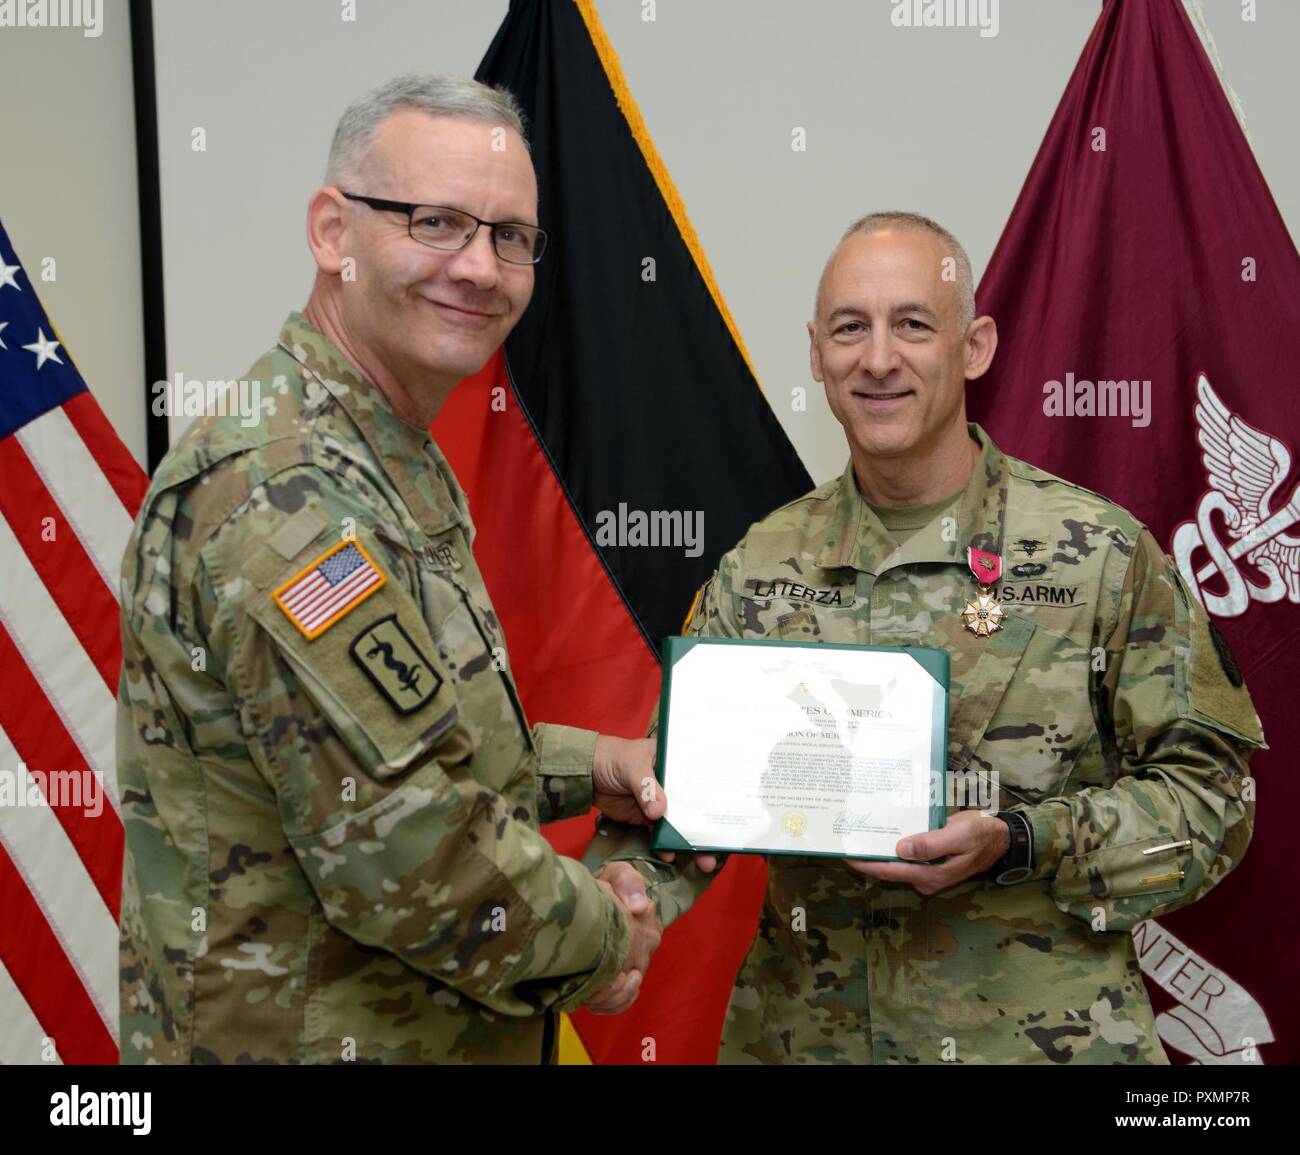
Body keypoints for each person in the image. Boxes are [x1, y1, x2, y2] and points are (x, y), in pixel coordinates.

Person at [592, 211, 1264, 1064]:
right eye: (849, 329)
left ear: (974, 344)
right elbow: (679, 786)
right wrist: (627, 891)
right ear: (816, 356)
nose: (878, 359)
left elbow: (1216, 804)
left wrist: (1026, 840)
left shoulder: (1101, 555)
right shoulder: (759, 565)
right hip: (804, 1042)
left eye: (913, 323)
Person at [117, 74, 661, 1065]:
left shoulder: (381, 450)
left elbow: (417, 749)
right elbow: (411, 852)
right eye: (437, 222)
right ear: (333, 232)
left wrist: (595, 767)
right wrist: (603, 935)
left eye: (510, 237)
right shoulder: (288, 496)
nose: (480, 268)